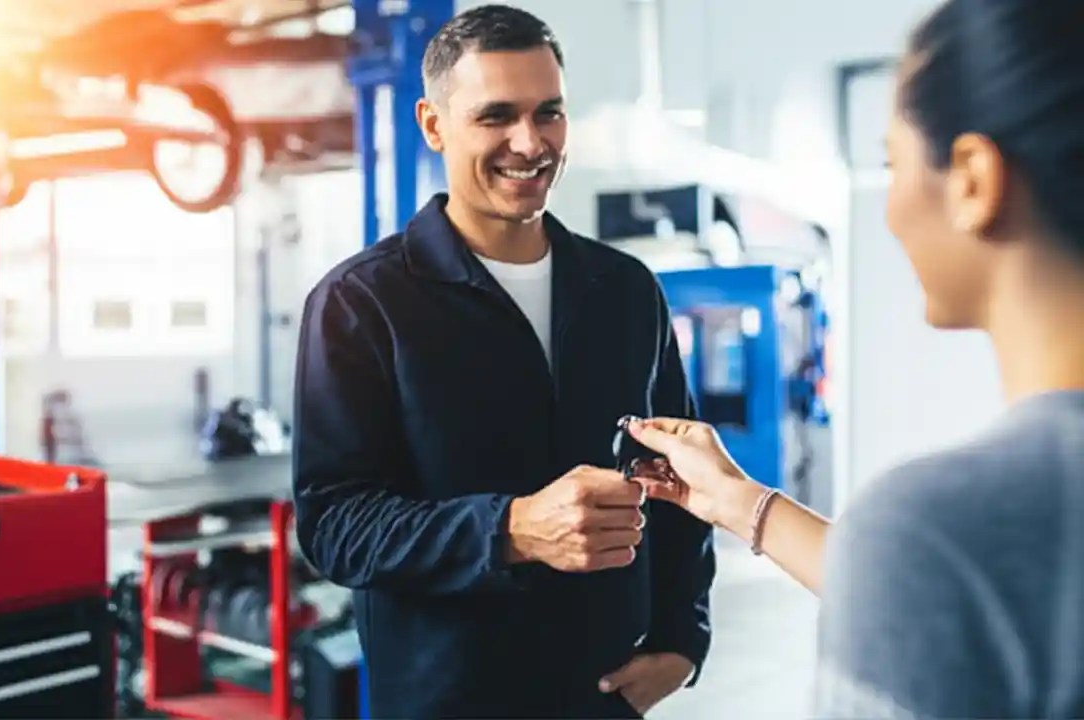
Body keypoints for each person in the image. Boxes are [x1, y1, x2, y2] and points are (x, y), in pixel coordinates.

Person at [623, 1, 1084, 717]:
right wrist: (737, 501)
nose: (892, 206)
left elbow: (940, 570)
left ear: (972, 179)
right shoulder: (966, 541)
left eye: (891, 162)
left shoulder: (945, 525)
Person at [290, 4, 714, 718]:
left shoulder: (625, 291)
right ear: (433, 125)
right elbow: (336, 525)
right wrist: (510, 529)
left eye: (549, 112)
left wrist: (683, 640)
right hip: (447, 699)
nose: (531, 141)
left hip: (602, 697)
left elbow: (678, 480)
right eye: (496, 116)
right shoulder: (362, 304)